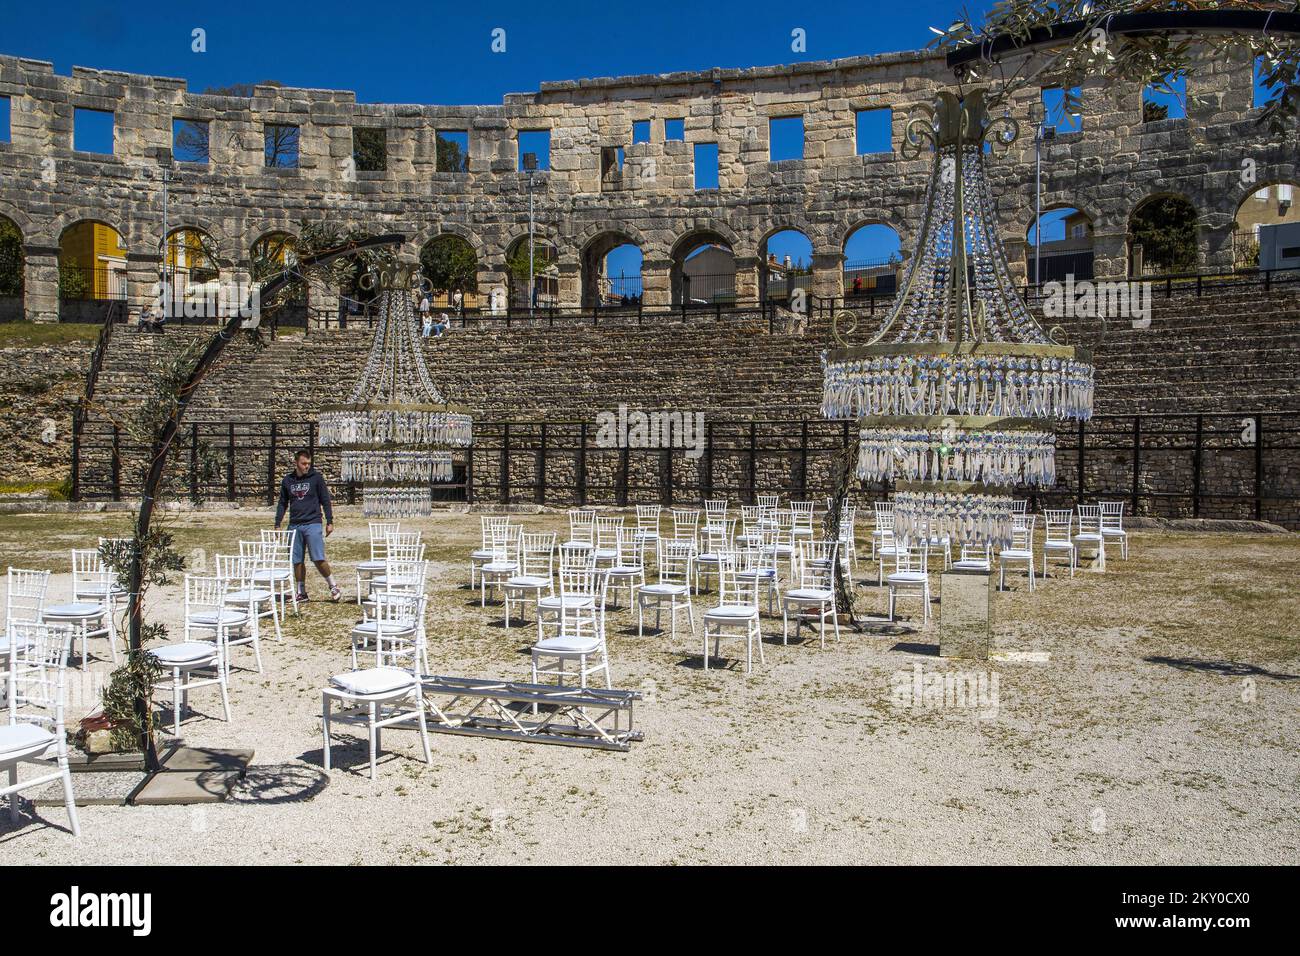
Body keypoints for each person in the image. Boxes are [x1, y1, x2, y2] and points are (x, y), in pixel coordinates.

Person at [274, 448, 340, 602]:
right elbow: (282, 503)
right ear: (296, 463)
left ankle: (333, 585)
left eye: (308, 464)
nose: (306, 466)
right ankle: (301, 592)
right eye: (303, 463)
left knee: (318, 557)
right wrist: (277, 523)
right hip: (295, 525)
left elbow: (325, 500)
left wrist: (329, 521)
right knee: (296, 560)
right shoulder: (287, 481)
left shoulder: (316, 478)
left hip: (313, 523)